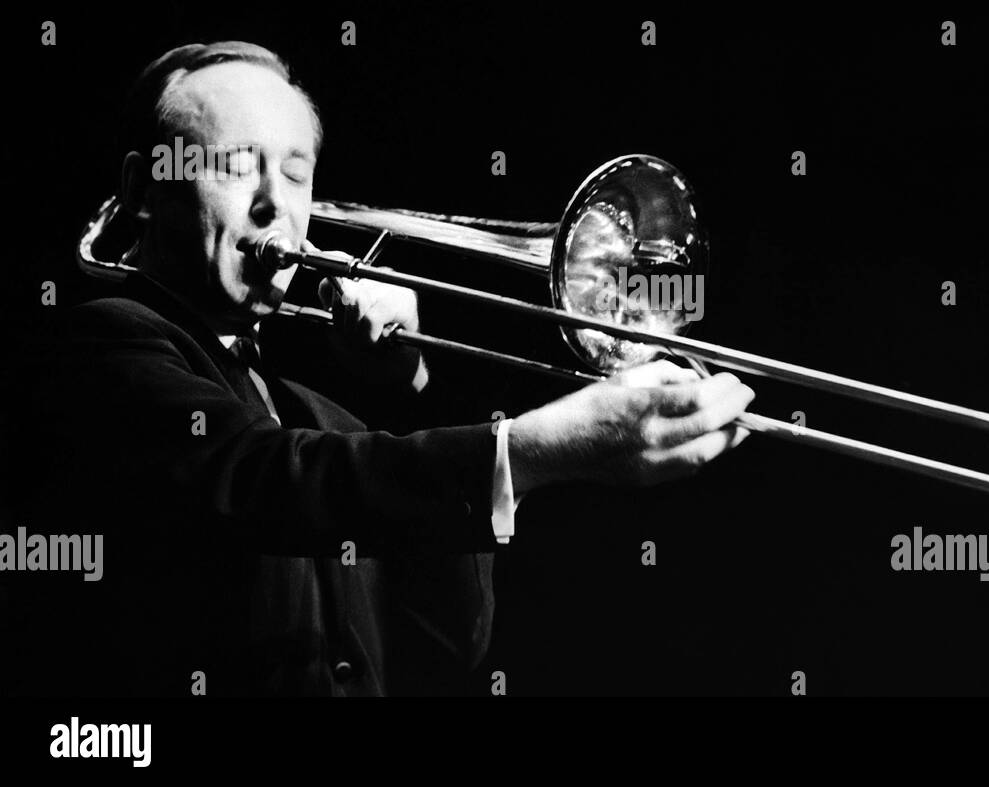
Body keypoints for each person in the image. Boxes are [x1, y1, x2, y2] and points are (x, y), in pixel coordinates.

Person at [8, 41, 753, 696]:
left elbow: (447, 643)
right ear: (144, 189)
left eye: (295, 173)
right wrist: (528, 448)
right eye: (237, 166)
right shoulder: (99, 347)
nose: (276, 205)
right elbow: (260, 476)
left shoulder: (316, 416)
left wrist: (409, 390)